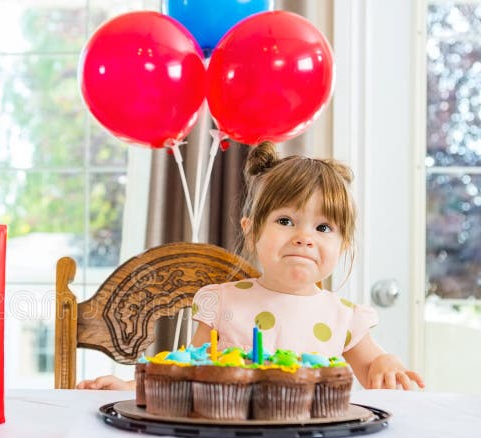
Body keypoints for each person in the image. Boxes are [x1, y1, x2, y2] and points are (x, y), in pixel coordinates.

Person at [77, 141, 425, 391]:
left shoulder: (345, 317)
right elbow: (182, 368)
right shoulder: (222, 301)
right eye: (286, 221)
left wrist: (385, 364)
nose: (305, 238)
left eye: (323, 228)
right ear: (252, 228)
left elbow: (371, 370)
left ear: (343, 244)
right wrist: (130, 386)